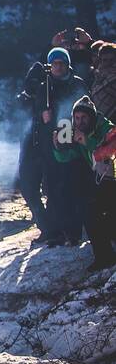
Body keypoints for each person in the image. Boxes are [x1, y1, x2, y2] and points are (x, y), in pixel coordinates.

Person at [17, 47, 87, 246]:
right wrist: (42, 115)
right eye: (54, 63)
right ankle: (52, 230)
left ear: (67, 65)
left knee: (66, 188)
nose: (58, 67)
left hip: (70, 143)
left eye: (61, 63)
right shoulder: (44, 86)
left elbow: (84, 110)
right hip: (46, 143)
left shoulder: (77, 84)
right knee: (46, 188)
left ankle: (71, 231)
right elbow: (36, 111)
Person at [52, 96, 116, 271]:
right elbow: (68, 158)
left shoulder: (108, 129)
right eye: (77, 118)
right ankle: (104, 256)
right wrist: (58, 147)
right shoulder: (78, 133)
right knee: (87, 209)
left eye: (84, 118)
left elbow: (109, 152)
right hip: (101, 181)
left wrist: (87, 142)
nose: (80, 122)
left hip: (112, 180)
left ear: (92, 117)